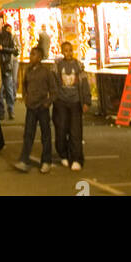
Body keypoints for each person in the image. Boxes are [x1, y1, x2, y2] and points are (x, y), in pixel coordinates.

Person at [14, 44, 58, 173]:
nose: (30, 56)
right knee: (28, 134)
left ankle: (46, 161)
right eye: (30, 54)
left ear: (39, 57)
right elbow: (24, 84)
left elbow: (54, 90)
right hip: (31, 107)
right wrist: (25, 97)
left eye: (33, 54)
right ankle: (24, 159)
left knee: (45, 135)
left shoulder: (46, 72)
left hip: (42, 107)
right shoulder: (28, 70)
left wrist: (47, 102)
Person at [52, 40, 91, 171]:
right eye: (66, 50)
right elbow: (52, 82)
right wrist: (53, 98)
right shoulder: (57, 66)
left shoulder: (79, 65)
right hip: (61, 102)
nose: (68, 53)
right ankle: (63, 154)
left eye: (70, 50)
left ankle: (76, 158)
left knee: (76, 132)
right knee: (61, 129)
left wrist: (86, 101)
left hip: (75, 102)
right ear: (62, 51)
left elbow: (84, 83)